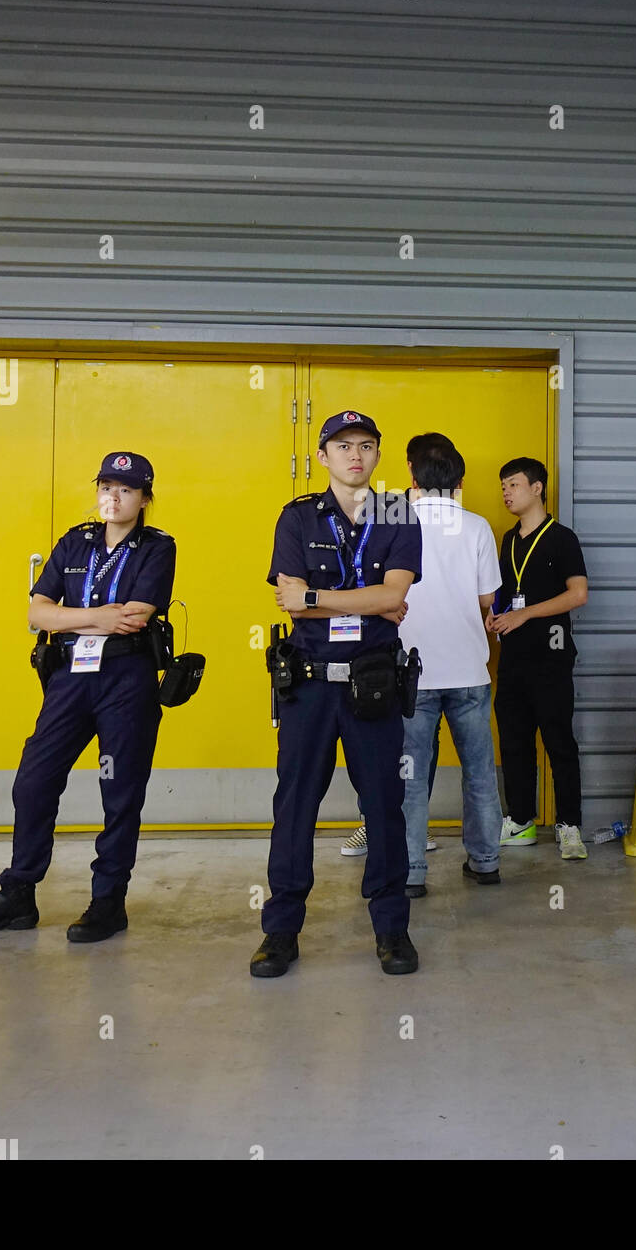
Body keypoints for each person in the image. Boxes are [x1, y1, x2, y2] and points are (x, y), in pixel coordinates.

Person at [0, 452, 176, 942]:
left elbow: (136, 616)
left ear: (144, 498)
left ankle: (108, 901)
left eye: (126, 490)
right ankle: (18, 894)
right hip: (71, 675)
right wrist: (95, 617)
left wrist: (71, 614)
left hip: (127, 677)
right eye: (107, 487)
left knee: (120, 792)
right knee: (33, 780)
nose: (113, 498)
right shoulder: (75, 541)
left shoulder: (157, 547)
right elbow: (38, 612)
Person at [254, 410, 423, 977]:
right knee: (295, 805)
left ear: (378, 456)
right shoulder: (297, 517)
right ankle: (280, 931)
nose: (356, 455)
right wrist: (367, 599)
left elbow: (394, 594)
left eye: (367, 446)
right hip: (308, 688)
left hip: (372, 685)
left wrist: (316, 599)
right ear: (323, 456)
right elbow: (292, 596)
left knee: (383, 805)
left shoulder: (398, 511)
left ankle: (392, 927)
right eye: (343, 446)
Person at [398, 433, 503, 896]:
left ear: (412, 476)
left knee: (410, 777)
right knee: (479, 773)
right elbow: (486, 599)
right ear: (460, 480)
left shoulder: (393, 523)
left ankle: (411, 873)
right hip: (469, 674)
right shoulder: (478, 527)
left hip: (409, 674)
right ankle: (485, 863)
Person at [486, 457, 589, 860]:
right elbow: (502, 591)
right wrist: (495, 615)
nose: (507, 493)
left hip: (552, 658)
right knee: (513, 742)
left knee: (558, 741)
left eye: (513, 484)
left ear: (537, 488)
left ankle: (568, 825)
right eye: (503, 487)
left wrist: (523, 613)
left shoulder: (562, 538)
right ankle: (521, 821)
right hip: (512, 659)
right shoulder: (508, 540)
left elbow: (578, 594)